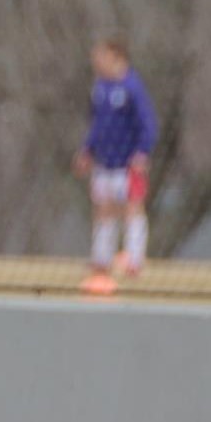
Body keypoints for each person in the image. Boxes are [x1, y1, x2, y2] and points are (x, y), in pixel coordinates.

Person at [73, 36, 157, 293]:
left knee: (132, 208)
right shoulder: (100, 88)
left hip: (127, 164)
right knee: (103, 209)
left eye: (102, 56)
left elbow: (148, 124)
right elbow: (96, 125)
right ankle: (102, 259)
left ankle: (134, 259)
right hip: (104, 162)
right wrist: (87, 150)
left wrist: (142, 152)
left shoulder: (132, 87)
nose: (97, 62)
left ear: (117, 57)